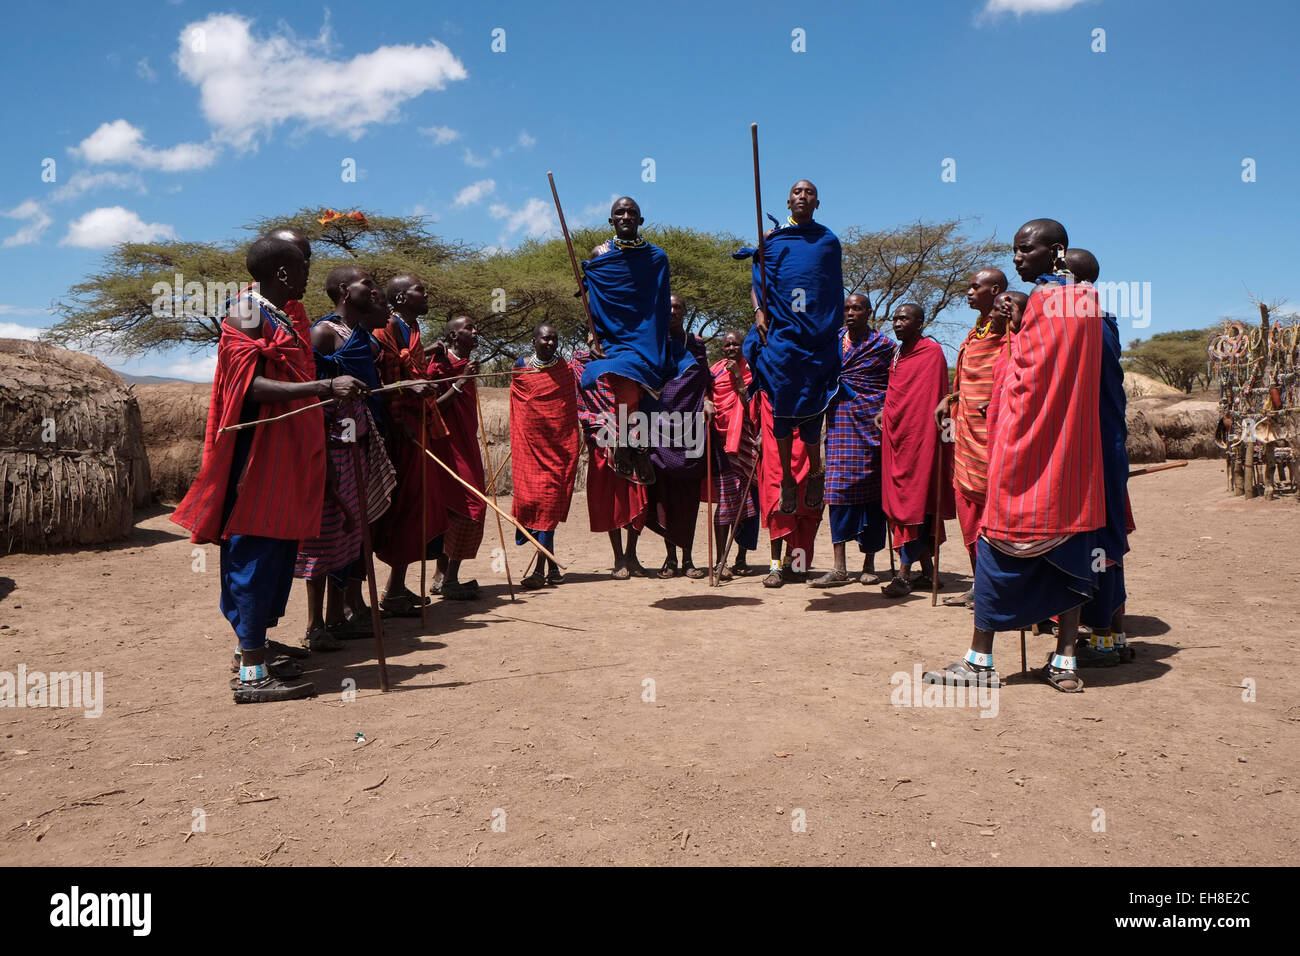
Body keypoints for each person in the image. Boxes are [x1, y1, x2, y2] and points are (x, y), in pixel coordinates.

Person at [172, 235, 366, 703]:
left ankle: (252, 648)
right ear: (281, 272)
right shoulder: (246, 311)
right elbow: (248, 387)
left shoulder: (284, 315)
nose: (309, 271)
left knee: (278, 552)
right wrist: (325, 385)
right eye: (303, 263)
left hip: (288, 456)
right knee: (255, 551)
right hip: (258, 461)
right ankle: (253, 675)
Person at [925, 218, 1104, 693]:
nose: (1017, 258)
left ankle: (980, 662)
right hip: (1072, 455)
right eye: (1014, 250)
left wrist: (1000, 399)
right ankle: (1065, 662)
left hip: (1027, 450)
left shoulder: (1046, 302)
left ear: (1057, 251)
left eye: (1026, 250)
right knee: (1069, 551)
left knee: (997, 545)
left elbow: (1026, 378)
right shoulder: (1086, 303)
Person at [301, 267, 397, 641]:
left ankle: (338, 614)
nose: (373, 290)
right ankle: (314, 625)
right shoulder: (324, 332)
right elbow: (315, 392)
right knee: (326, 533)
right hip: (333, 443)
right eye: (367, 284)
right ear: (343, 290)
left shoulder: (362, 335)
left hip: (362, 436)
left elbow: (370, 387)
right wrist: (322, 448)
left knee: (351, 534)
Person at [741, 180, 843, 515]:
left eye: (809, 192)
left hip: (815, 337)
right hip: (781, 335)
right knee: (782, 409)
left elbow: (831, 290)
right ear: (788, 202)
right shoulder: (771, 241)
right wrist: (758, 312)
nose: (802, 196)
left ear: (818, 201)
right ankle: (786, 478)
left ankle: (815, 472)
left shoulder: (827, 241)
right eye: (797, 193)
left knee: (812, 411)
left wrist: (830, 327)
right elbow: (759, 282)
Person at [580, 197, 693, 484]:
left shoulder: (656, 258)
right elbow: (595, 302)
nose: (626, 216)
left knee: (647, 390)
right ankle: (631, 446)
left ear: (641, 221)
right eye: (620, 212)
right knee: (625, 385)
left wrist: (661, 339)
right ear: (611, 220)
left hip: (646, 338)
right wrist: (593, 338)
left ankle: (633, 447)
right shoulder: (599, 254)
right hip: (614, 340)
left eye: (632, 212)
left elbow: (657, 304)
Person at [1066, 248, 1135, 666]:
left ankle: (1106, 636)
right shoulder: (1096, 320)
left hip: (1095, 450)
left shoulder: (1088, 324)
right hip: (1098, 446)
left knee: (1098, 540)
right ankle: (1111, 633)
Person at [371, 273, 449, 615]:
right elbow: (380, 381)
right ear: (401, 297)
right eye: (421, 289)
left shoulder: (410, 329)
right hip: (398, 430)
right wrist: (404, 401)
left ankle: (397, 588)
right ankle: (389, 592)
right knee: (402, 508)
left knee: (416, 507)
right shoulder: (384, 331)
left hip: (416, 425)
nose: (427, 293)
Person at [934, 269, 1008, 607]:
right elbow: (966, 382)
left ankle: (998, 589)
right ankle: (980, 586)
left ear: (994, 290)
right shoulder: (975, 331)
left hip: (993, 437)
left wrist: (995, 402)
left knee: (995, 515)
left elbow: (1013, 373)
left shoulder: (1007, 328)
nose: (968, 291)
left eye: (975, 287)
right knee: (969, 513)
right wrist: (949, 400)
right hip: (966, 437)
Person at [810, 293, 894, 588]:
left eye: (857, 308)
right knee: (836, 491)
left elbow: (894, 382)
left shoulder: (884, 345)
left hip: (871, 422)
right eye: (846, 307)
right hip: (839, 420)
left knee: (872, 492)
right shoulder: (832, 341)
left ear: (868, 312)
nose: (850, 312)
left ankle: (869, 564)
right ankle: (839, 567)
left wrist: (886, 408)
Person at [880, 303, 954, 597]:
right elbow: (896, 393)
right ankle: (928, 572)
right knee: (904, 501)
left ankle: (903, 575)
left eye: (904, 318)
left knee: (914, 501)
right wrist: (884, 411)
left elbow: (931, 399)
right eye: (895, 318)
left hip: (920, 439)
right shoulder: (897, 354)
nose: (897, 323)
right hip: (895, 437)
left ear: (920, 322)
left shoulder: (931, 352)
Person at [645, 295, 711, 579]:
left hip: (691, 427)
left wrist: (707, 399)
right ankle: (670, 559)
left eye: (678, 308)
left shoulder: (696, 345)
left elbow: (705, 380)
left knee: (687, 498)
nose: (672, 312)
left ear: (685, 313)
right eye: (668, 308)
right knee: (663, 496)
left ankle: (688, 559)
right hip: (658, 427)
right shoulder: (652, 345)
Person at [510, 323, 579, 588]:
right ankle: (552, 568)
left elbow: (565, 411)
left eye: (554, 339)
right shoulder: (521, 367)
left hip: (558, 450)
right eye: (545, 338)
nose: (550, 343)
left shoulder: (564, 371)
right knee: (531, 503)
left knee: (548, 507)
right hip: (530, 448)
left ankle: (539, 571)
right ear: (534, 340)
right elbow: (521, 405)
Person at [573, 346, 649, 578]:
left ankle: (632, 555)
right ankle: (618, 558)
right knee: (611, 500)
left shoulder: (630, 358)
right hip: (602, 440)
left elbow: (648, 385)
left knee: (638, 495)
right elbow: (580, 406)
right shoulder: (582, 363)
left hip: (634, 434)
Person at [427, 316, 487, 599]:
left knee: (467, 509)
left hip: (467, 444)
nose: (476, 332)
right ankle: (447, 578)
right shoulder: (438, 366)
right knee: (464, 508)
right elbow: (431, 409)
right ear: (452, 336)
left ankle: (447, 576)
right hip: (445, 446)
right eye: (469, 329)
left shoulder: (469, 365)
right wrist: (461, 383)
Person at [704, 331, 760, 580]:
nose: (731, 348)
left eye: (736, 344)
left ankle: (740, 557)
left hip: (746, 442)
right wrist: (707, 402)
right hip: (721, 441)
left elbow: (753, 406)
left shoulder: (752, 371)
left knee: (749, 502)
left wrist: (738, 378)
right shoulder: (714, 371)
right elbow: (707, 395)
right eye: (727, 345)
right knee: (726, 501)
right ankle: (720, 560)